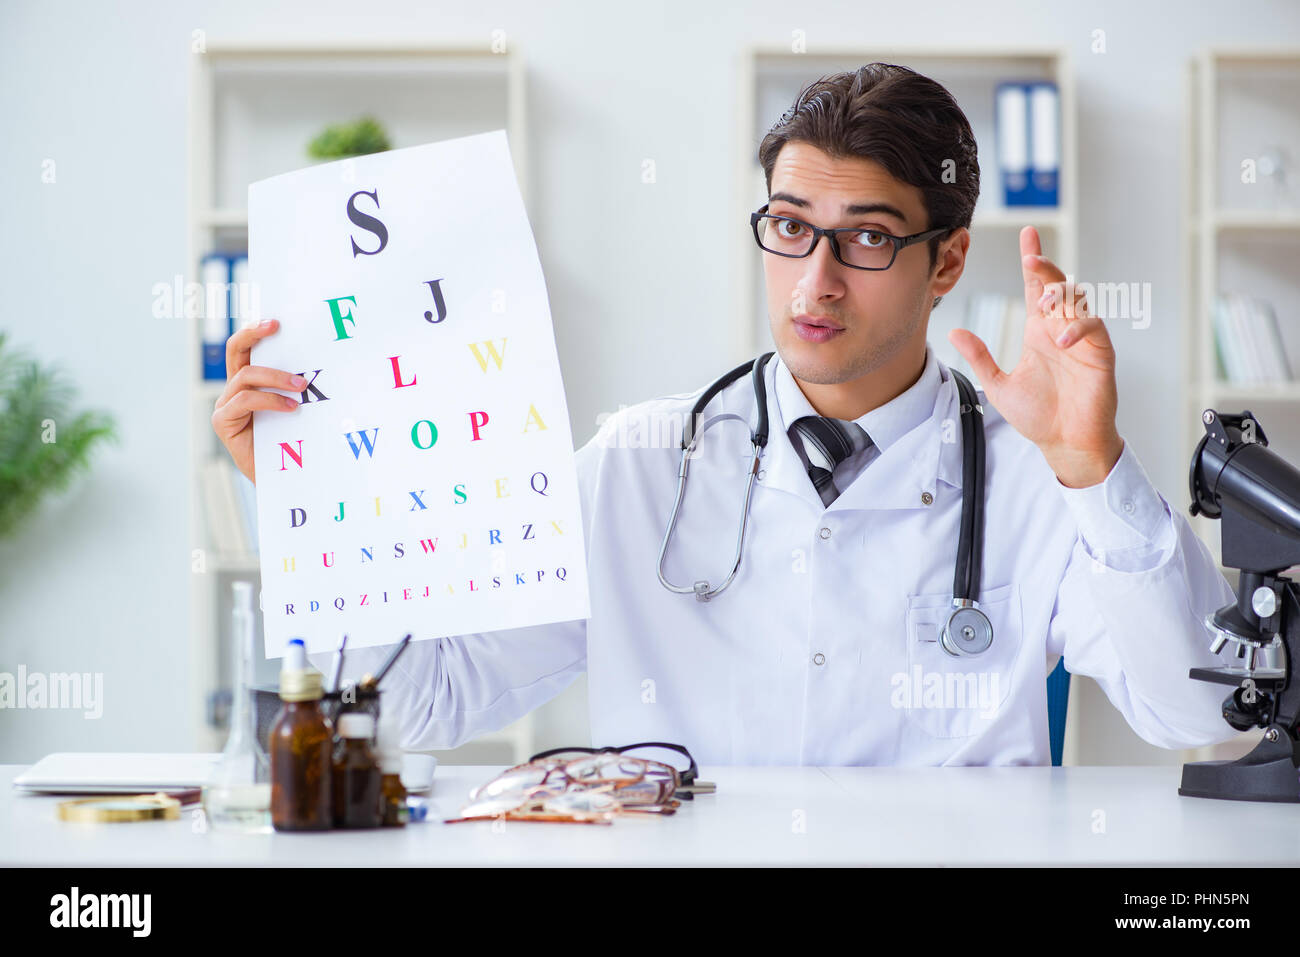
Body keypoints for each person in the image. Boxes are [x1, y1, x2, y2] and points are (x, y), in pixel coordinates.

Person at [213, 63, 1242, 765]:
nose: (815, 282)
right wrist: (318, 505)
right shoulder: (638, 465)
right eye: (791, 228)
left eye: (868, 239)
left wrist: (1094, 469)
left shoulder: (1031, 479)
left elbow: (1196, 712)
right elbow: (425, 703)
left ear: (950, 262)